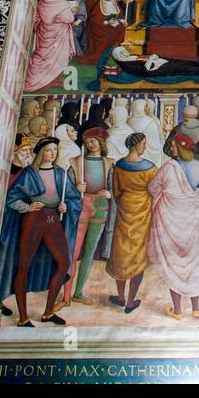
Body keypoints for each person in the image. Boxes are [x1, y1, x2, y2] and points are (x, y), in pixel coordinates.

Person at [0, 136, 83, 327]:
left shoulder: (60, 173)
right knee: (24, 265)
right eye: (49, 150)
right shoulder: (29, 173)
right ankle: (23, 317)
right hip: (34, 219)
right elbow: (11, 198)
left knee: (64, 262)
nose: (53, 154)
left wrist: (66, 205)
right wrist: (27, 207)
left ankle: (48, 313)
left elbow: (74, 197)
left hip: (53, 219)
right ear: (41, 152)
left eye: (55, 151)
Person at [148, 134, 199, 320]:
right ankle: (195, 308)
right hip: (191, 219)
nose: (171, 149)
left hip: (171, 222)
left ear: (180, 147)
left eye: (172, 146)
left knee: (174, 263)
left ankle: (178, 311)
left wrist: (169, 196)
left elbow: (152, 188)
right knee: (193, 261)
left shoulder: (167, 168)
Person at [107, 132, 157, 313]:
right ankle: (129, 302)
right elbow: (155, 190)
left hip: (125, 210)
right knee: (137, 256)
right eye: (144, 143)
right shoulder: (150, 168)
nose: (145, 146)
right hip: (143, 212)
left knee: (121, 252)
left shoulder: (119, 166)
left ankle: (120, 297)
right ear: (137, 145)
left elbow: (117, 191)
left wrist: (125, 202)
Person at [64, 128, 113, 306]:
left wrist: (110, 193)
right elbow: (66, 188)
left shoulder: (108, 163)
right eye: (87, 141)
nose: (90, 144)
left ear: (101, 142)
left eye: (93, 141)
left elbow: (113, 186)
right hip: (81, 206)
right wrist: (77, 188)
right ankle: (66, 294)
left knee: (89, 253)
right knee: (73, 251)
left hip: (100, 207)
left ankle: (78, 292)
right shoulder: (77, 163)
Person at [22, 0, 78, 92]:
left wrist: (47, 22)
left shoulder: (41, 3)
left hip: (44, 32)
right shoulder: (61, 3)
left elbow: (37, 18)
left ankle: (53, 80)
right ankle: (41, 82)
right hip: (58, 34)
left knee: (43, 56)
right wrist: (72, 12)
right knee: (58, 58)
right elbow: (69, 18)